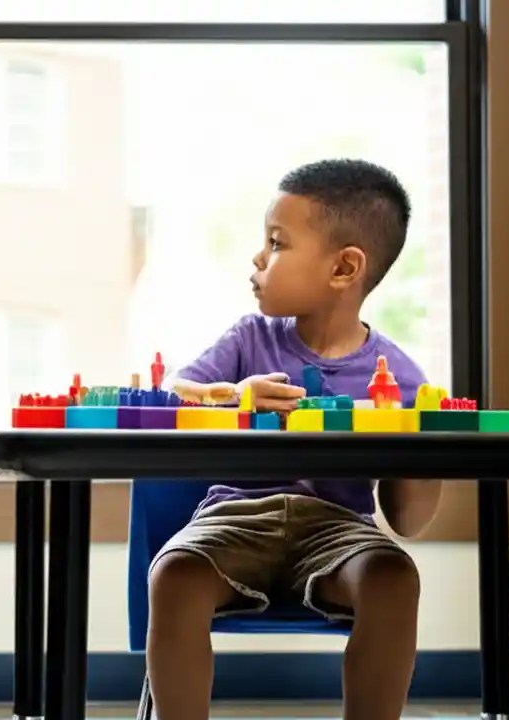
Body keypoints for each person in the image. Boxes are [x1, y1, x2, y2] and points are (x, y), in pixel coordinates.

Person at [149, 159, 443, 720]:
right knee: (174, 575)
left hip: (337, 531)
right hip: (235, 518)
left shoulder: (401, 379)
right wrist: (230, 396)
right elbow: (171, 395)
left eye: (276, 243)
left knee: (393, 576)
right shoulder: (247, 338)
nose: (258, 259)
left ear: (344, 268)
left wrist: (420, 447)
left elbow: (407, 520)